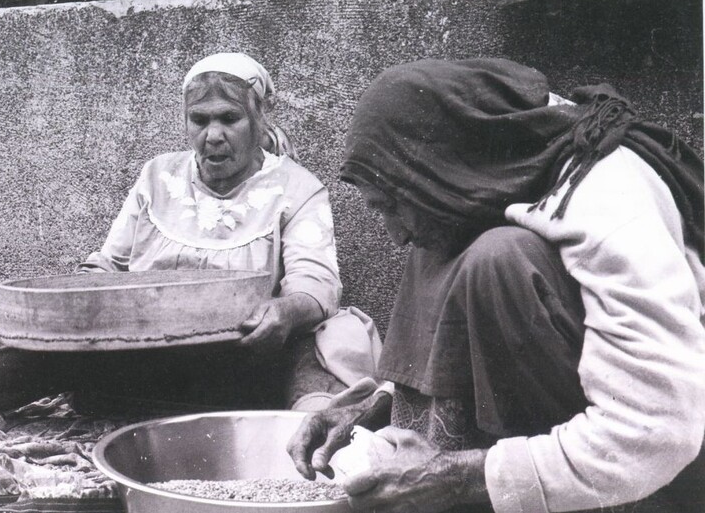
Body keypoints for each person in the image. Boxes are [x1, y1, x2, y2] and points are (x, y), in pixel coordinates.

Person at [287, 58, 705, 513]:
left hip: (666, 465)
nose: (395, 234)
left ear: (442, 167)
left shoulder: (610, 200)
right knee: (437, 236)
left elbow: (659, 432)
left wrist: (456, 479)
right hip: (612, 440)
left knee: (499, 258)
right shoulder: (486, 176)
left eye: (393, 204)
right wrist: (383, 404)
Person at [0, 52, 380, 435]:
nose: (212, 135)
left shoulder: (296, 187)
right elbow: (108, 265)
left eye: (229, 118)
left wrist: (283, 312)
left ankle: (308, 440)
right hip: (139, 355)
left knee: (327, 337)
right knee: (30, 338)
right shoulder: (158, 176)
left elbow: (317, 283)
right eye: (199, 119)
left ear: (258, 117)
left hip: (242, 361)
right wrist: (77, 307)